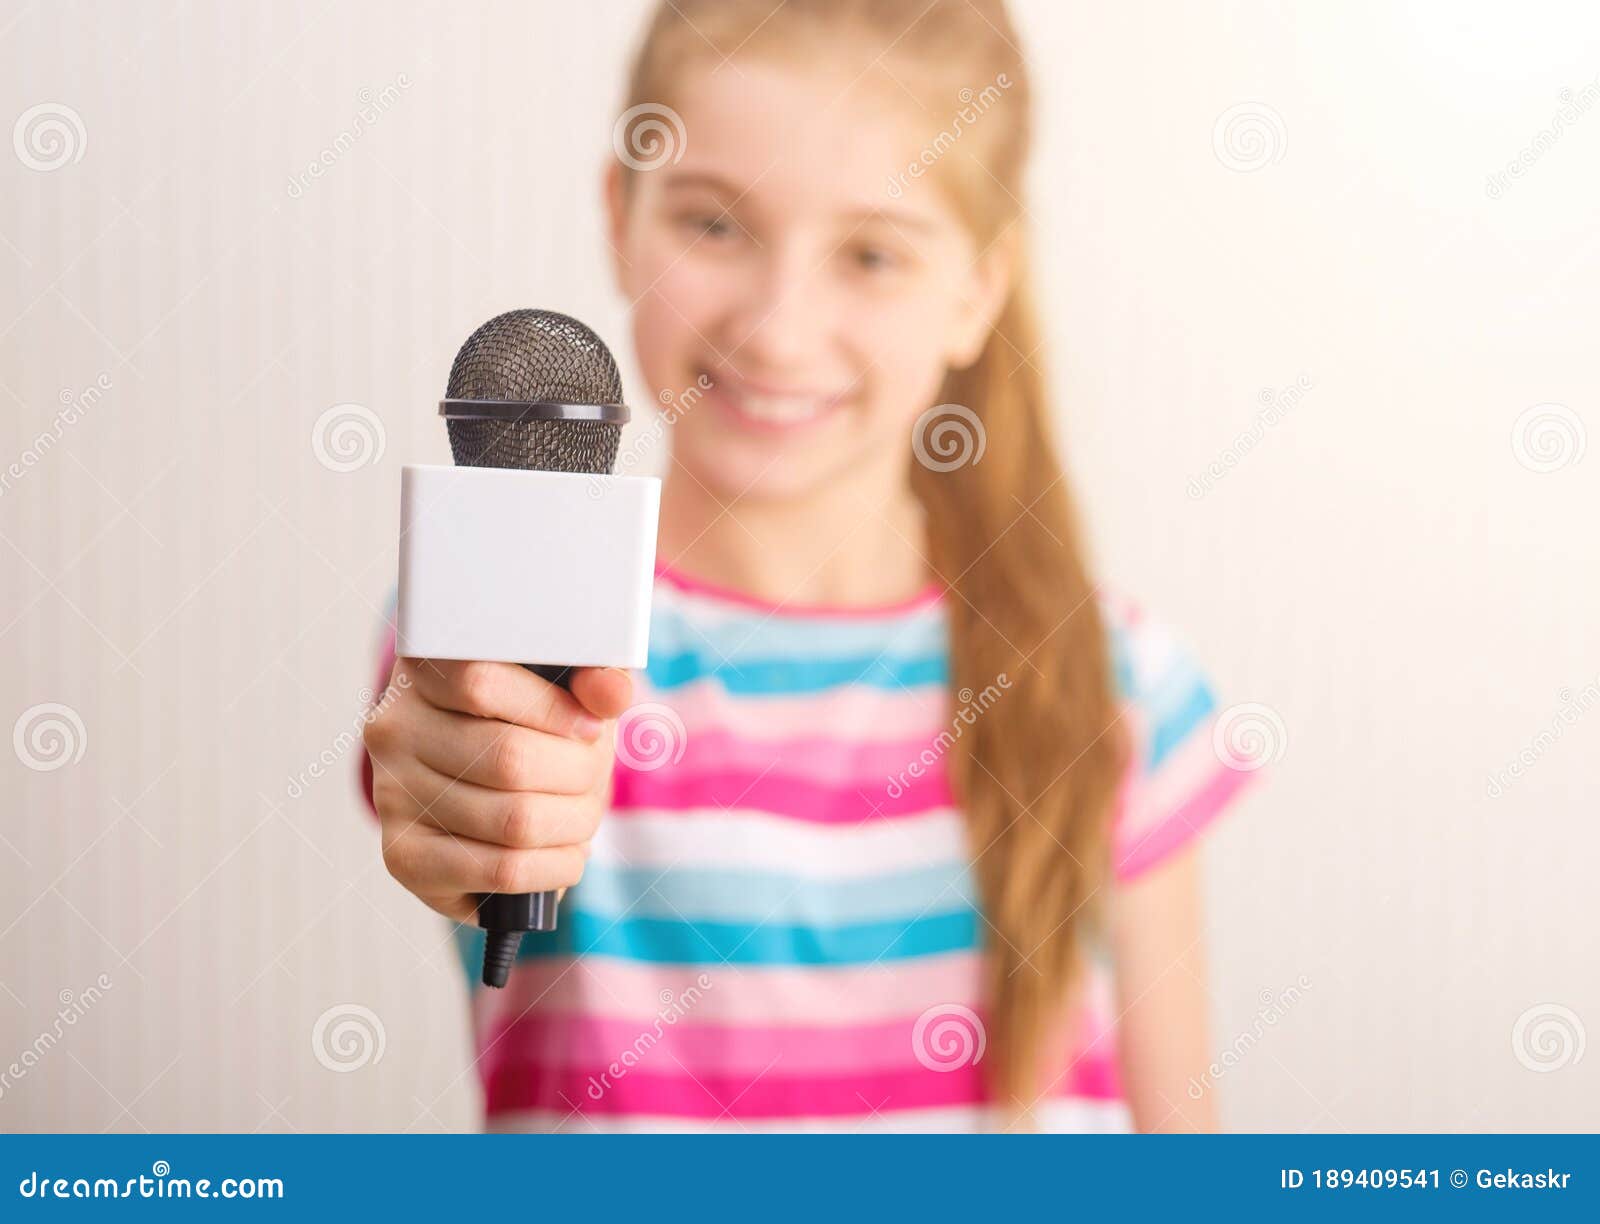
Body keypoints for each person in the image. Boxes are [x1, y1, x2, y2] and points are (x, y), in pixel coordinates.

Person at [360, 0, 1261, 1132]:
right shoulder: (513, 631)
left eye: (871, 253)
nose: (778, 331)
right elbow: (453, 773)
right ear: (619, 216)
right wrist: (461, 800)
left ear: (976, 290)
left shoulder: (1116, 680)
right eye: (714, 225)